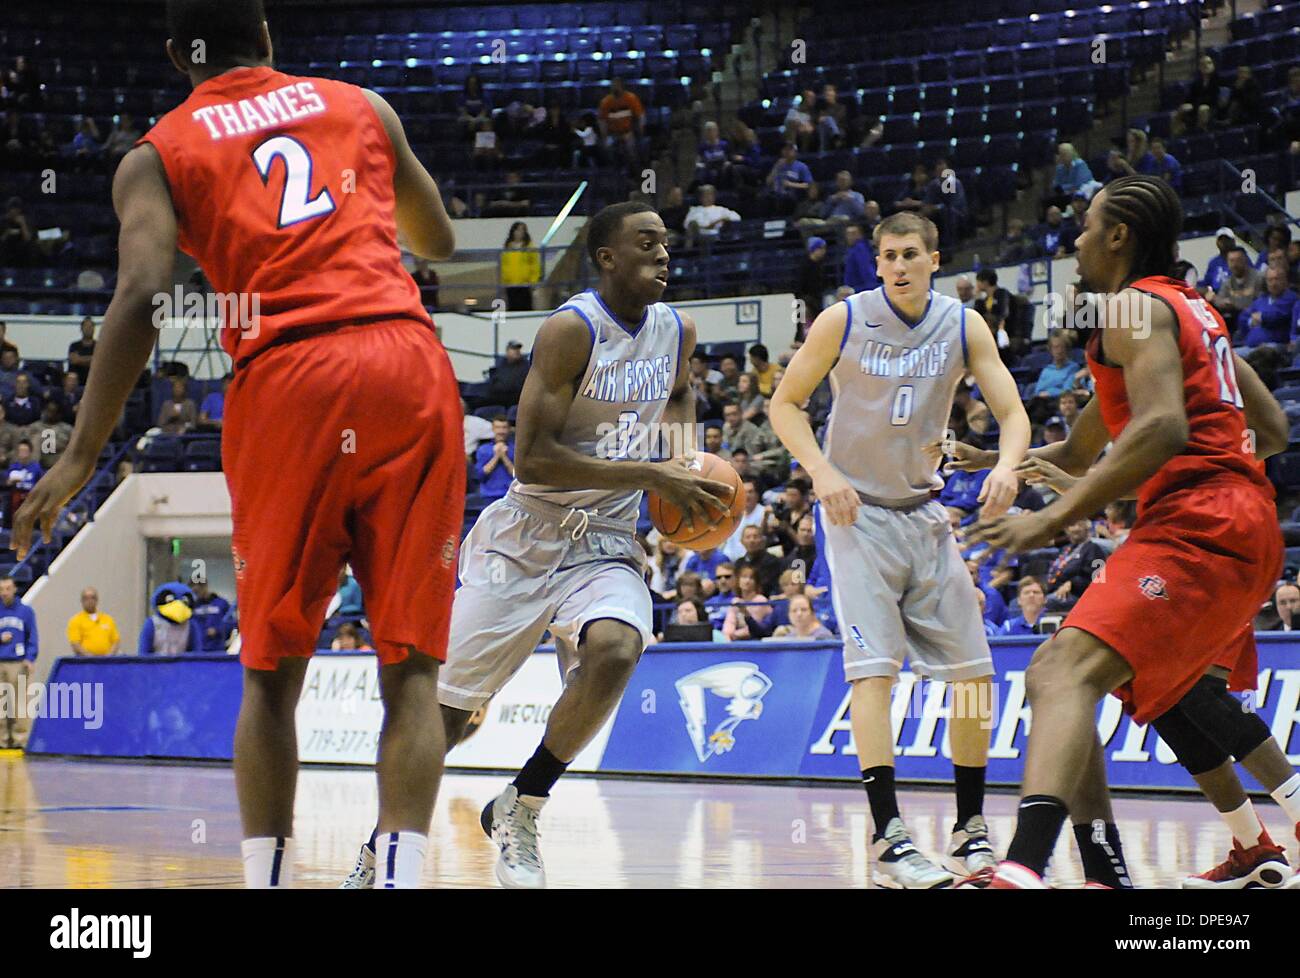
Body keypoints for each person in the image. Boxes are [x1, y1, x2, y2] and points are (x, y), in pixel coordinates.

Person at [11, 0, 463, 890]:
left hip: (289, 377)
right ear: (268, 38)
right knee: (411, 666)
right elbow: (437, 238)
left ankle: (267, 881)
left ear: (181, 53)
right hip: (407, 364)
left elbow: (142, 297)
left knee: (271, 670)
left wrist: (79, 456)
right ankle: (404, 877)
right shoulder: (361, 107)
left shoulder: (157, 152)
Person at [340, 201, 731, 889]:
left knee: (615, 649)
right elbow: (533, 460)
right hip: (526, 536)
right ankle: (378, 855)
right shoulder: (569, 330)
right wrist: (648, 471)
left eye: (666, 244)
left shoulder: (678, 332)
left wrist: (684, 477)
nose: (664, 256)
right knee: (447, 718)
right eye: (646, 244)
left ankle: (522, 804)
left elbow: (675, 411)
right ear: (607, 257)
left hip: (605, 538)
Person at [963, 175, 1292, 889]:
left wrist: (1055, 515)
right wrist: (997, 460)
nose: (1075, 239)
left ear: (1118, 237)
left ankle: (1022, 869)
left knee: (1060, 674)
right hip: (1248, 522)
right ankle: (1112, 869)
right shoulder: (1189, 313)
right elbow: (1269, 430)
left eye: (1086, 227)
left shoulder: (1132, 307)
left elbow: (1164, 427)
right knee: (1104, 684)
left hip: (1199, 524)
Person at [768, 210, 1031, 888]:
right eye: (887, 256)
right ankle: (888, 838)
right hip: (856, 515)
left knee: (975, 678)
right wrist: (822, 475)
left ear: (935, 259)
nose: (898, 266)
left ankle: (970, 828)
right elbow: (785, 404)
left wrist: (1006, 464)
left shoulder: (964, 322)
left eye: (910, 253)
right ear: (876, 263)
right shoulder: (843, 320)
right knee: (874, 674)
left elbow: (1012, 411)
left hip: (926, 512)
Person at [0, 576, 38, 748]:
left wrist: (30, 658)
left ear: (15, 589)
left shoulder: (26, 612)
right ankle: (2, 740)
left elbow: (33, 638)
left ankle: (19, 741)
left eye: (8, 588)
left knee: (20, 704)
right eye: (1, 589)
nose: (4, 593)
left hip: (18, 663)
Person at [67, 586, 120, 656]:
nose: (90, 601)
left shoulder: (108, 619)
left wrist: (109, 656)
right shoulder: (75, 621)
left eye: (93, 598)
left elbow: (115, 641)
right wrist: (92, 658)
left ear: (97, 600)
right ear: (82, 601)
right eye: (86, 598)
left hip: (106, 663)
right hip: (86, 663)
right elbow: (75, 644)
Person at [500, 221, 539, 312]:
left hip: (525, 284)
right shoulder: (507, 247)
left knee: (525, 307)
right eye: (517, 230)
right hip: (510, 284)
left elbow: (534, 264)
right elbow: (503, 265)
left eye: (522, 230)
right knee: (512, 307)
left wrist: (534, 280)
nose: (519, 232)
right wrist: (504, 280)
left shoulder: (529, 247)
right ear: (513, 231)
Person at [475, 414, 515, 502]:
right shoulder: (483, 449)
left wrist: (504, 457)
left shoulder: (516, 449)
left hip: (510, 495)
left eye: (504, 427)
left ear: (509, 429)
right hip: (488, 495)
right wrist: (496, 456)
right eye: (498, 427)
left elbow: (517, 476)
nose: (501, 431)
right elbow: (480, 475)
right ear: (493, 429)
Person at [484, 339, 530, 407]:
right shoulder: (500, 365)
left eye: (518, 349)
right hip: (498, 398)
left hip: (516, 400)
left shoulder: (525, 366)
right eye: (514, 349)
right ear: (507, 351)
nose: (517, 351)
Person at [192, 579, 232, 651]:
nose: (196, 595)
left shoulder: (221, 604)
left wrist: (217, 630)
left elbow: (231, 623)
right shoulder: (194, 607)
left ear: (205, 587)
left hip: (217, 649)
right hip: (199, 650)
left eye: (197, 591)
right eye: (194, 592)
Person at [67, 317, 97, 385]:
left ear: (94, 328)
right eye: (86, 326)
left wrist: (79, 359)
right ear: (81, 328)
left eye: (90, 326)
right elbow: (73, 360)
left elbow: (99, 361)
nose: (88, 329)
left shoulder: (98, 346)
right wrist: (91, 359)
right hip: (76, 382)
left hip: (94, 381)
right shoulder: (74, 346)